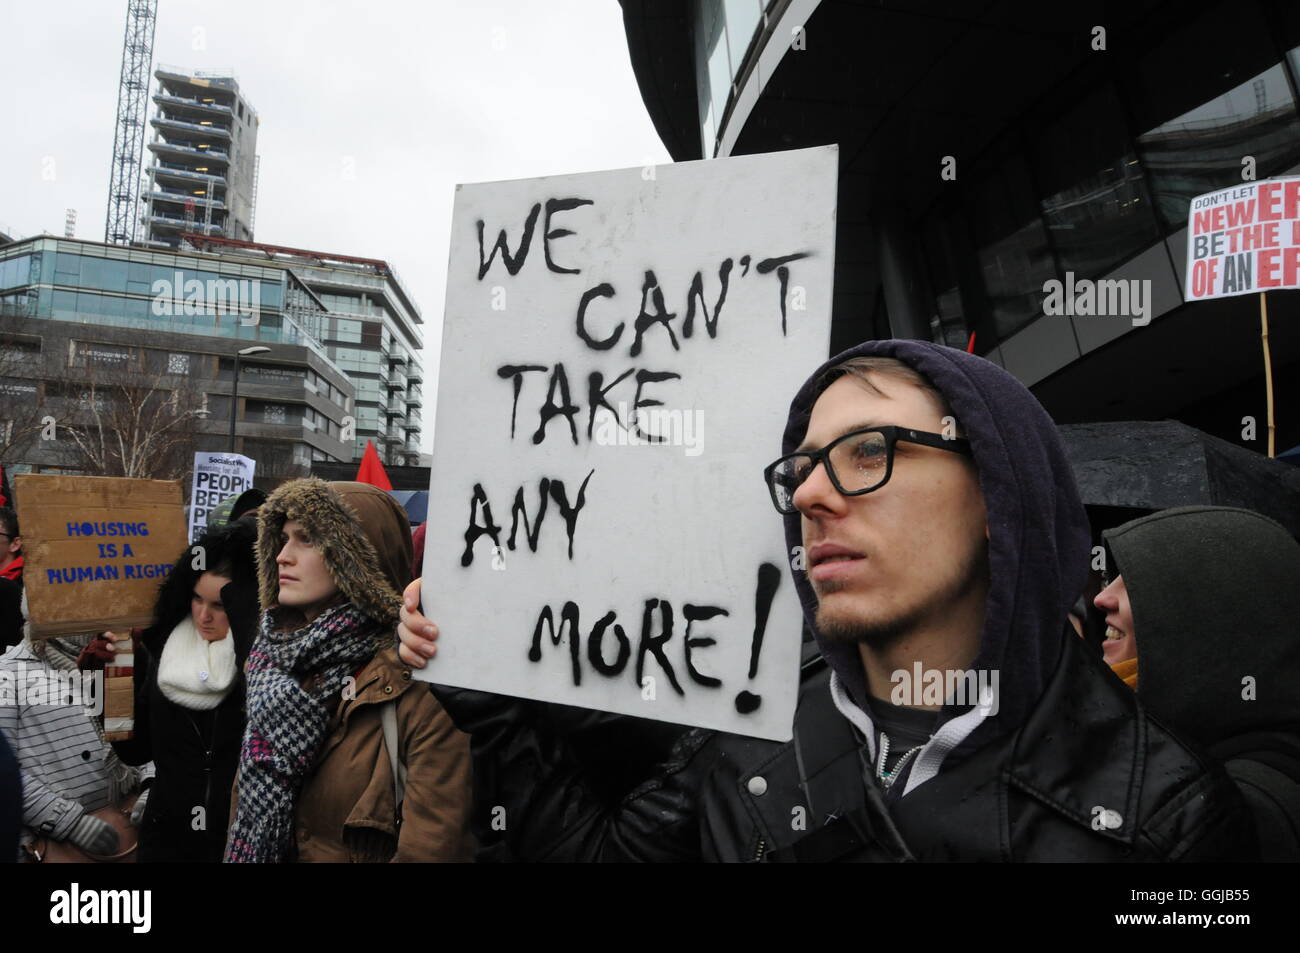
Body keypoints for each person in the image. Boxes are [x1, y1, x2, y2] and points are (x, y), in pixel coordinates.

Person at [397, 340, 1255, 861]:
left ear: (1001, 492)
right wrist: (486, 693)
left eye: (870, 450)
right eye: (801, 467)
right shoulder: (753, 733)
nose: (811, 495)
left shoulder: (1172, 821)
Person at [224, 479, 474, 863]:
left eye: (306, 539)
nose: (282, 556)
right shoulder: (269, 667)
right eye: (283, 538)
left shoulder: (422, 687)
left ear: (356, 558)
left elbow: (430, 849)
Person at [1096, 505, 1300, 859]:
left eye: (1137, 582)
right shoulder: (1211, 758)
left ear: (1209, 620)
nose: (1102, 598)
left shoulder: (1250, 809)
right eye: (1110, 578)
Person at [107, 517, 261, 862]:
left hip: (235, 841)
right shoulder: (163, 650)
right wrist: (112, 678)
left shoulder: (261, 668)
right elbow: (134, 751)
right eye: (197, 599)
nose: (203, 615)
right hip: (165, 840)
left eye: (219, 605)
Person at [0, 618, 151, 862]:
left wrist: (151, 782)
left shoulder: (119, 653)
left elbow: (136, 728)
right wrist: (67, 821)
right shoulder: (7, 672)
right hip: (58, 845)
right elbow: (5, 768)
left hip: (131, 831)